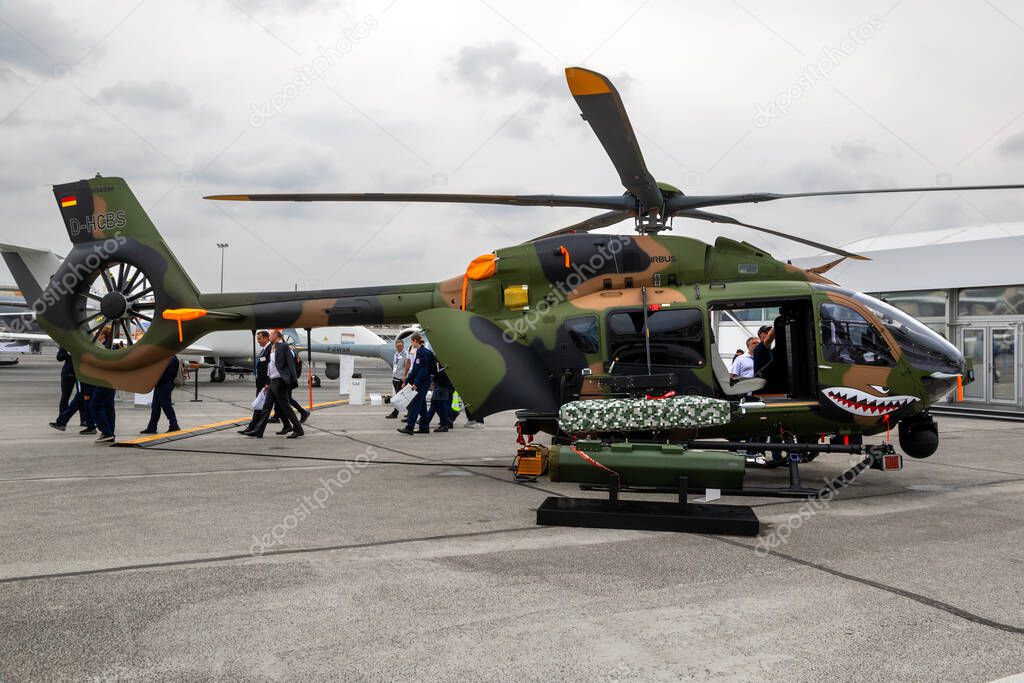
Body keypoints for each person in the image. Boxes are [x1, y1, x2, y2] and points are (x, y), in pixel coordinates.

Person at [267, 329, 303, 438]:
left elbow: (289, 364)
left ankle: (298, 429)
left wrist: (292, 380)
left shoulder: (283, 346)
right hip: (274, 380)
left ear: (276, 336)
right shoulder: (274, 347)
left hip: (281, 381)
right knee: (278, 407)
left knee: (286, 406)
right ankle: (287, 426)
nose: (269, 336)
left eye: (270, 334)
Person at [397, 333, 434, 435]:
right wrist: (407, 382)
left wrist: (416, 383)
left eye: (412, 341)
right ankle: (424, 427)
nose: (411, 343)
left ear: (415, 341)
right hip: (420, 381)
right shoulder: (419, 351)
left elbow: (424, 370)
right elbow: (415, 370)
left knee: (415, 405)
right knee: (422, 405)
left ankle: (410, 427)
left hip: (423, 382)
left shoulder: (423, 352)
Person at [240, 330, 272, 437]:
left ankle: (253, 427)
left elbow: (270, 367)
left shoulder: (270, 349)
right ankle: (253, 427)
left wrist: (268, 382)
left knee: (262, 406)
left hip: (266, 383)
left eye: (259, 339)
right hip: (262, 383)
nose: (258, 341)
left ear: (266, 338)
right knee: (279, 406)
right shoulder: (264, 349)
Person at [140, 355, 181, 434]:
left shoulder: (169, 358)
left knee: (166, 406)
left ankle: (174, 425)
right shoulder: (171, 357)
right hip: (161, 385)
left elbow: (164, 373)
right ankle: (152, 427)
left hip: (164, 385)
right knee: (155, 406)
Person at [91, 326, 117, 443]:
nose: (97, 336)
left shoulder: (103, 347)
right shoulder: (113, 346)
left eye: (99, 334)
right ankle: (110, 432)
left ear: (103, 336)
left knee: (95, 406)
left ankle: (106, 431)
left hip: (104, 380)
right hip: (112, 381)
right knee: (108, 407)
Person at [423, 355, 454, 432]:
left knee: (441, 405)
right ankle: (446, 422)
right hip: (440, 384)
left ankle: (444, 425)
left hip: (443, 385)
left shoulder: (442, 361)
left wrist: (434, 381)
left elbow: (442, 372)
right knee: (435, 404)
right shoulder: (438, 360)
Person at [385, 338, 408, 419]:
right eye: (398, 346)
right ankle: (410, 412)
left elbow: (407, 367)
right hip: (395, 377)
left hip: (401, 379)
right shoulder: (396, 354)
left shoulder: (405, 354)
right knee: (401, 397)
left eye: (401, 346)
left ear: (403, 346)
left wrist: (404, 377)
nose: (399, 347)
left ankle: (395, 413)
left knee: (399, 397)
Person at [56, 347, 76, 416]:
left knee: (82, 397)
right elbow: (59, 357)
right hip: (68, 373)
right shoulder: (67, 344)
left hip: (81, 374)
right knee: (65, 396)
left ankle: (84, 419)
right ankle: (62, 416)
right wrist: (69, 353)